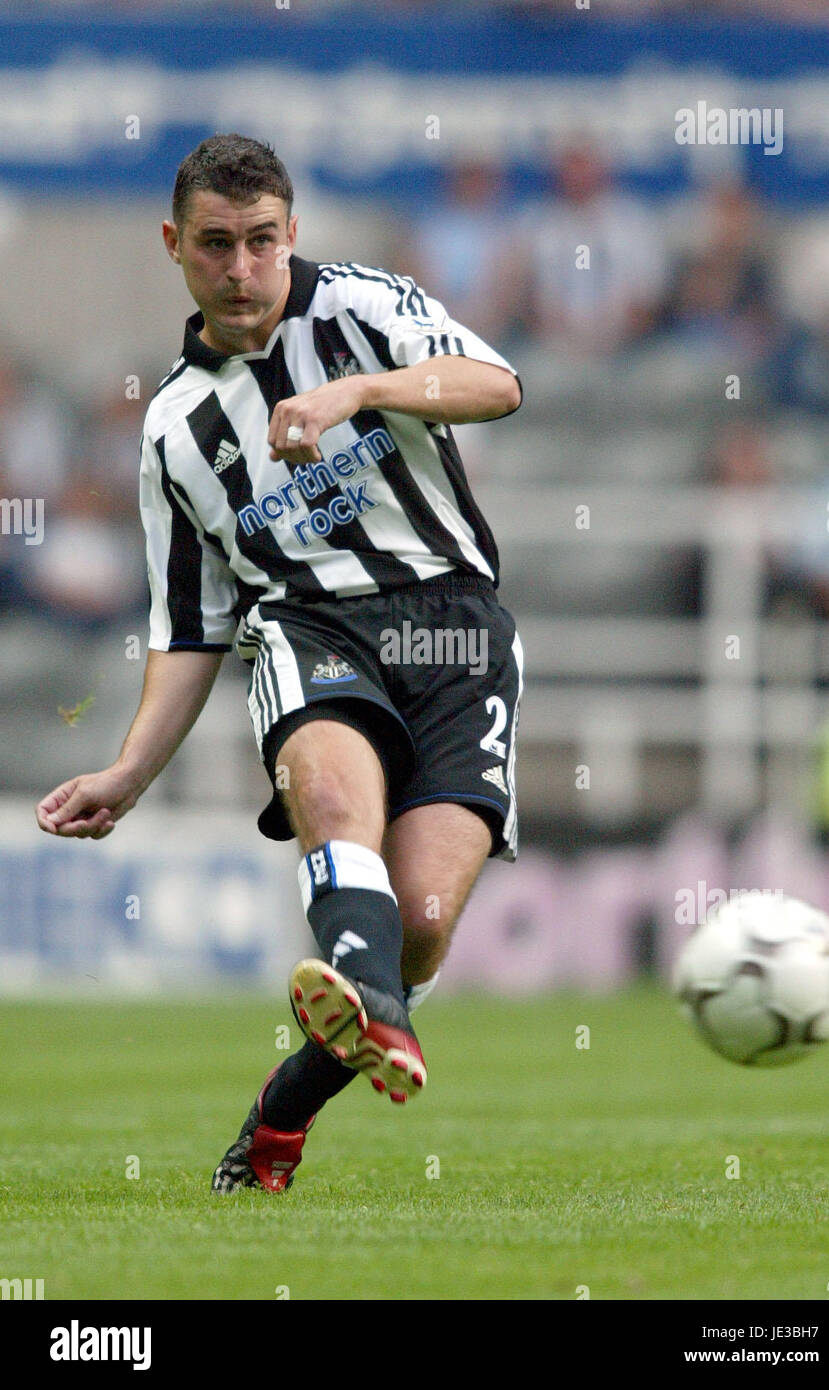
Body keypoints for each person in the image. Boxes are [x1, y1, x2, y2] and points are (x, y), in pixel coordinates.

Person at [35, 134, 524, 1194]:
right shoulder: (173, 428)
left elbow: (497, 384)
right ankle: (360, 978)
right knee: (337, 805)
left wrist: (357, 396)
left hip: (454, 628)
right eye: (216, 245)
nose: (242, 269)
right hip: (310, 627)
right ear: (176, 246)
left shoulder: (360, 306)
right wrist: (126, 773)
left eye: (262, 242)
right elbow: (191, 626)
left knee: (425, 927)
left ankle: (284, 1105)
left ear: (291, 233)